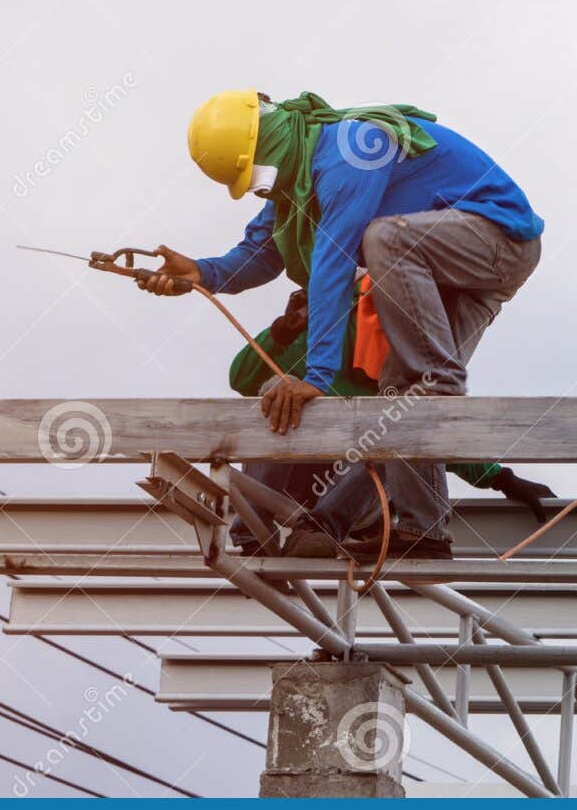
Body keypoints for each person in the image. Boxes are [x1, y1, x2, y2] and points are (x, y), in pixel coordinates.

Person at [139, 90, 544, 560]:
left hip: (497, 243)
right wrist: (202, 274)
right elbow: (260, 253)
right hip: (445, 269)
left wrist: (317, 376)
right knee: (399, 393)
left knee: (385, 241)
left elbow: (332, 259)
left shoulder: (351, 150)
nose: (261, 188)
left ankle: (438, 386)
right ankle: (424, 531)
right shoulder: (297, 182)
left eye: (259, 175)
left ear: (271, 144)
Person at [227, 285, 557, 557]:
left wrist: (500, 478)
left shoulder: (407, 372)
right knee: (277, 388)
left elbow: (428, 436)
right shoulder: (319, 343)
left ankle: (322, 528)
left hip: (360, 499)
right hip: (300, 482)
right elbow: (242, 379)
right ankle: (254, 536)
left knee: (396, 417)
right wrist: (283, 333)